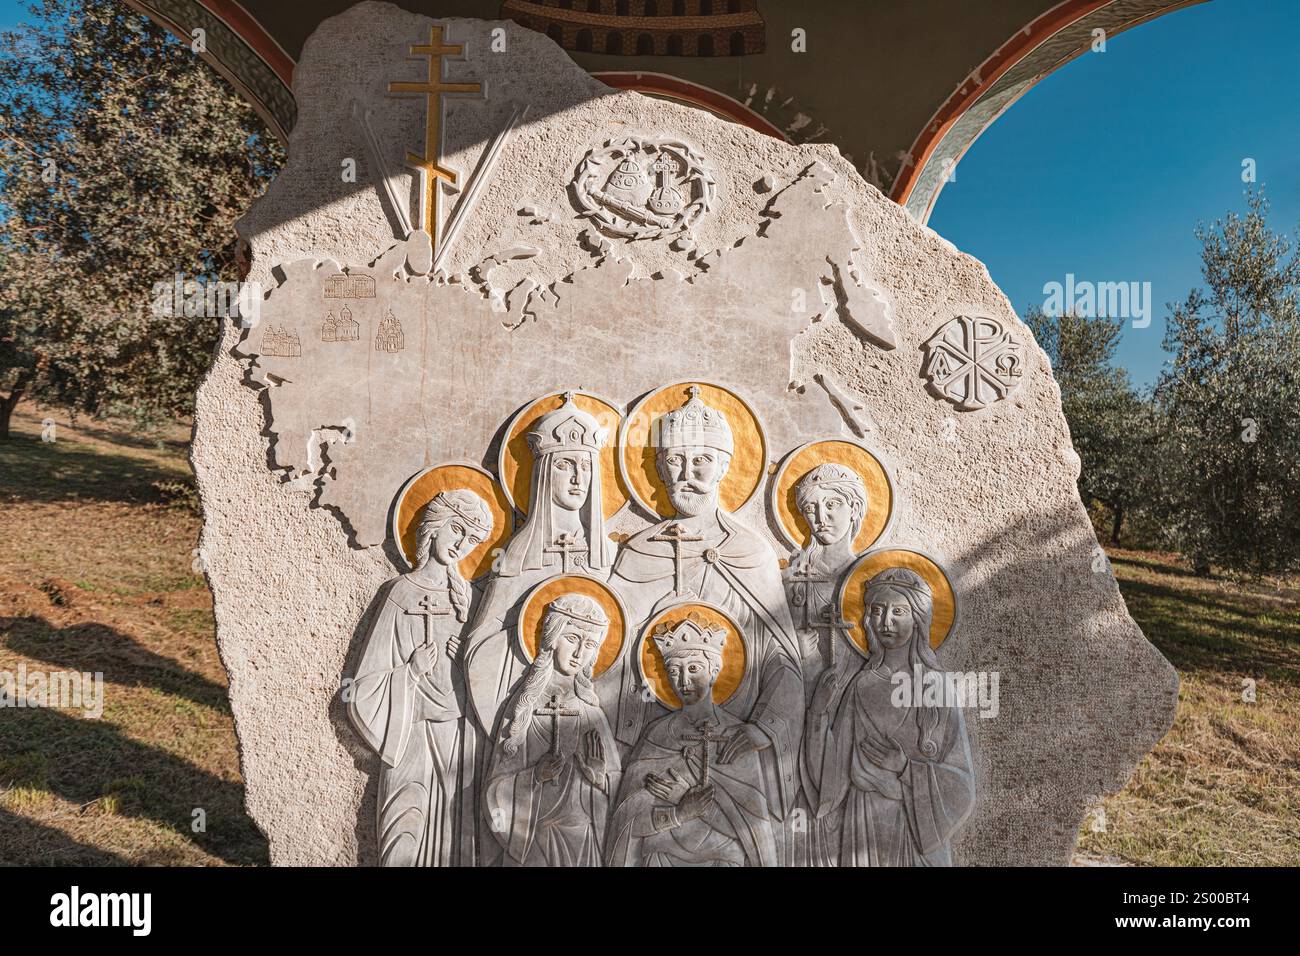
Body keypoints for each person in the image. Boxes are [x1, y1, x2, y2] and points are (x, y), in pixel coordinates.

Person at [609, 387, 803, 822]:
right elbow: (610, 653)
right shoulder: (639, 552)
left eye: (701, 460)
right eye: (675, 461)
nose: (686, 473)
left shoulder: (750, 553)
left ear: (723, 468)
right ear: (659, 468)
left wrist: (762, 729)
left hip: (729, 746)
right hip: (652, 742)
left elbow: (782, 661)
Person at [348, 489, 492, 866]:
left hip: (461, 734)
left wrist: (469, 662)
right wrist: (410, 671)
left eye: (472, 540)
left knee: (460, 827)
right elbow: (366, 683)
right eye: (457, 531)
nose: (461, 545)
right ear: (434, 525)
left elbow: (492, 676)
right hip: (412, 732)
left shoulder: (471, 599)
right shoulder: (402, 592)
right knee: (403, 824)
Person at [462, 393, 615, 738]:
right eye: (565, 464)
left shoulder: (607, 554)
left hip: (589, 718)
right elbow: (481, 645)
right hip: (530, 711)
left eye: (586, 465)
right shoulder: (519, 552)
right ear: (544, 471)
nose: (578, 477)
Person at [815, 568, 975, 866]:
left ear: (917, 619)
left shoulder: (936, 687)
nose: (886, 621)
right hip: (863, 820)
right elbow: (831, 773)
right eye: (877, 610)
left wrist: (904, 767)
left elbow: (962, 783)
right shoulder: (860, 685)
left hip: (916, 824)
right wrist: (817, 714)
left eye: (898, 611)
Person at [605, 614, 776, 866]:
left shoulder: (738, 737)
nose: (683, 681)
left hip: (722, 861)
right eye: (673, 671)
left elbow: (753, 829)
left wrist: (684, 798)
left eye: (694, 669)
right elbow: (626, 821)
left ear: (715, 671)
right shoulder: (657, 735)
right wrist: (678, 813)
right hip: (662, 859)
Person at [482, 594, 621, 866]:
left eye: (590, 644)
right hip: (534, 840)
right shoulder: (525, 706)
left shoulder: (592, 714)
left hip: (585, 842)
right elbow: (495, 789)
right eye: (572, 638)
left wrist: (600, 778)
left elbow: (619, 789)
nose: (580, 653)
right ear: (553, 637)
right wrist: (535, 776)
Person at [782, 463, 870, 864]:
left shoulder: (871, 576)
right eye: (810, 510)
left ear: (854, 508)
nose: (820, 517)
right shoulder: (792, 578)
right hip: (799, 703)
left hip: (855, 710)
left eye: (832, 504)